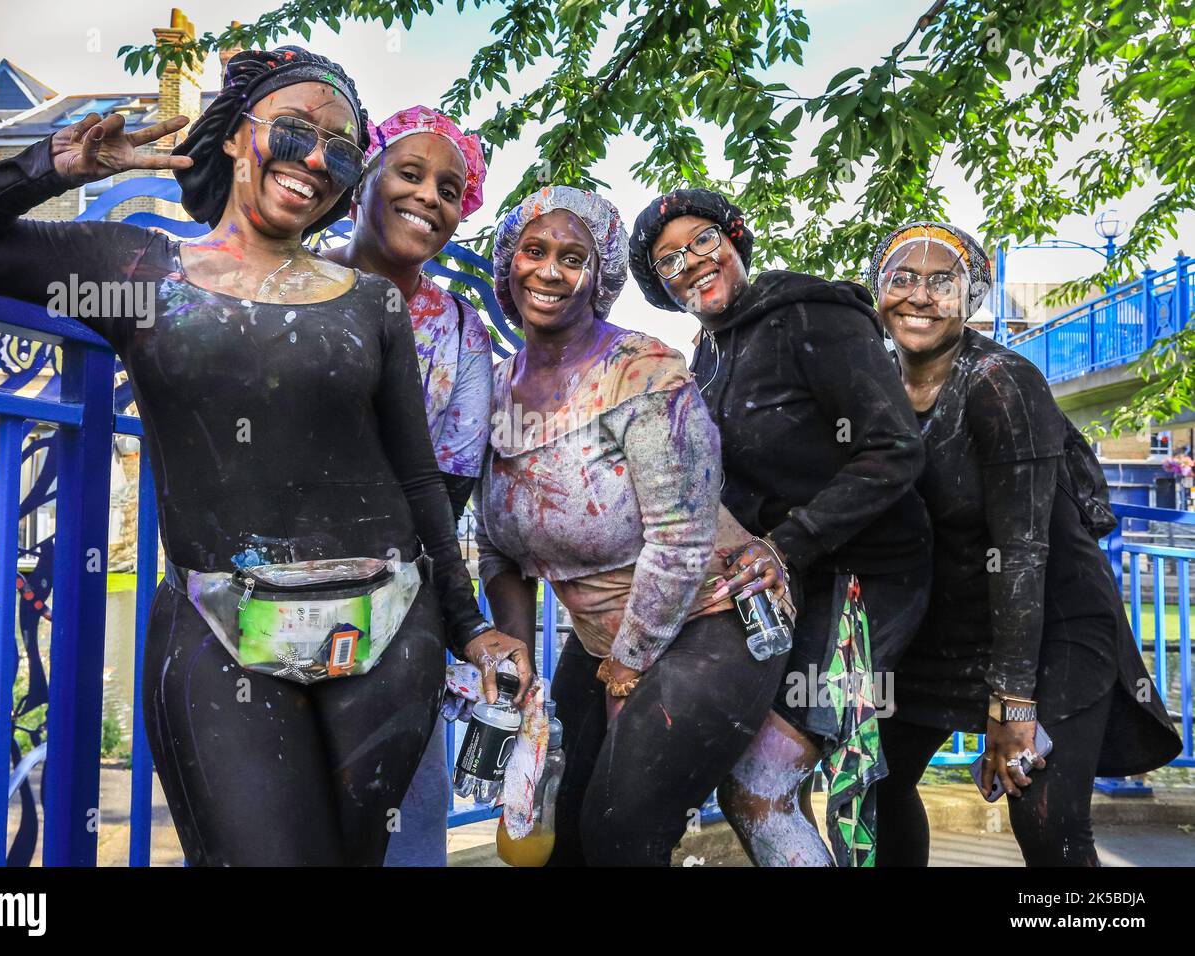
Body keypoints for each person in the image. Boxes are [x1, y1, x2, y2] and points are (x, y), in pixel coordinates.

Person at [0, 46, 531, 866]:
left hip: (386, 635)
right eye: (297, 129)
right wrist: (50, 164)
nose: (315, 159)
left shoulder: (371, 304)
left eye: (340, 151)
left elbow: (418, 480)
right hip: (218, 628)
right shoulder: (138, 275)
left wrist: (469, 629)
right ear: (238, 136)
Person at [475, 185, 788, 866]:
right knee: (555, 836)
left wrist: (627, 667)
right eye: (534, 250)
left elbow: (682, 536)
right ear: (509, 263)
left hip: (715, 615)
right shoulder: (493, 388)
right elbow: (497, 546)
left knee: (621, 828)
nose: (551, 270)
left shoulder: (643, 371)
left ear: (600, 279)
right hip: (600, 640)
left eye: (574, 258)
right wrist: (517, 661)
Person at [628, 189, 932, 866]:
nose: (691, 263)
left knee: (761, 788)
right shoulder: (704, 357)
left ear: (735, 237)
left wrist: (785, 545)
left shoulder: (809, 312)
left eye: (703, 240)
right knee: (754, 784)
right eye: (669, 259)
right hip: (783, 588)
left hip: (863, 579)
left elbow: (895, 448)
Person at [866, 221, 1181, 867]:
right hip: (949, 628)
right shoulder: (875, 387)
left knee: (1043, 819)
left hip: (1051, 624)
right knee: (876, 782)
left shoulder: (1001, 383)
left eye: (941, 282)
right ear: (878, 292)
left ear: (971, 296)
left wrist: (1012, 707)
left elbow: (1022, 552)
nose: (919, 296)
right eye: (901, 279)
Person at [322, 105, 494, 867]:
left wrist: (451, 619)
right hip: (258, 596)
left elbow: (446, 493)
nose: (429, 196)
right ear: (365, 172)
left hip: (399, 605)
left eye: (451, 190)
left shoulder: (460, 332)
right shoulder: (288, 281)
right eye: (411, 172)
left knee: (405, 834)